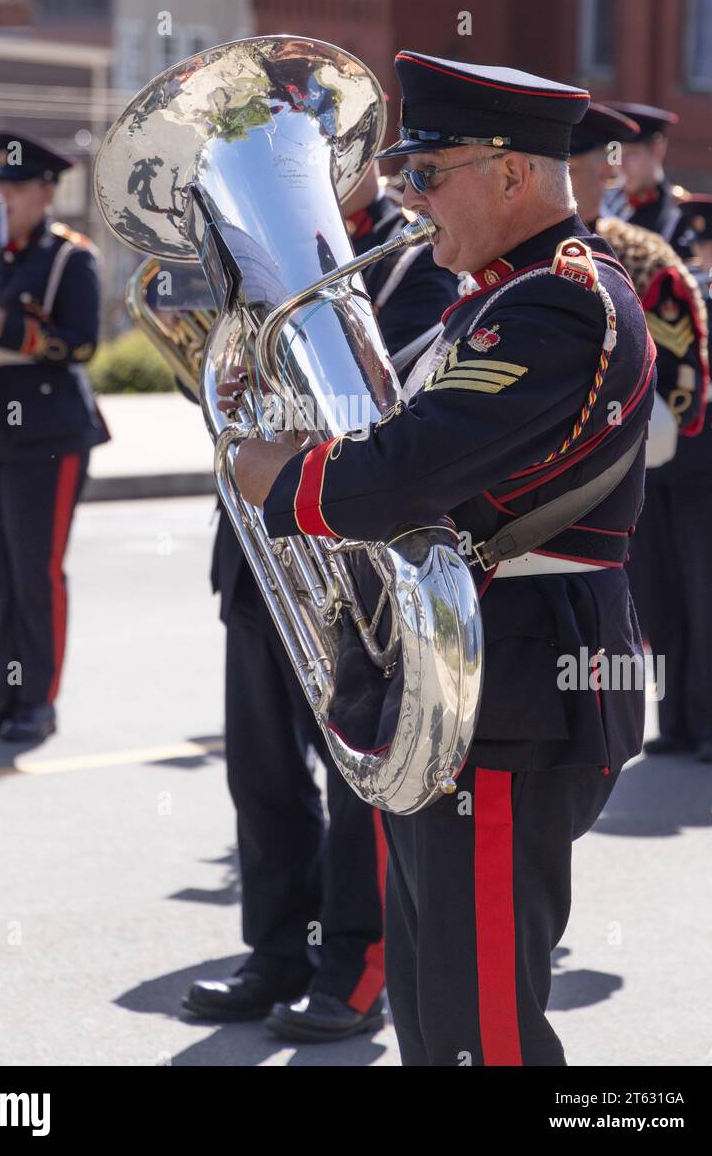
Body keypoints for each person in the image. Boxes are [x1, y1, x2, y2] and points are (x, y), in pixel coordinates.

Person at [231, 52, 656, 1066]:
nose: (410, 202)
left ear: (512, 174)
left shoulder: (558, 301)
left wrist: (280, 479)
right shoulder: (485, 304)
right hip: (460, 689)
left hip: (510, 694)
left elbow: (405, 471)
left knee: (482, 1035)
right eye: (404, 179)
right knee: (434, 1022)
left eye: (429, 174)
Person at [182, 162, 458, 1043]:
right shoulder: (254, 264)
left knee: (357, 770)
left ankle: (356, 963)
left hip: (351, 562)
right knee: (260, 771)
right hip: (261, 554)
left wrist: (287, 399)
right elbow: (239, 384)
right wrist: (227, 392)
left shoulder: (418, 262)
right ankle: (275, 953)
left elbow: (391, 399)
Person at [0, 133, 109, 745]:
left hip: (48, 433)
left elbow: (83, 343)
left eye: (13, 187)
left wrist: (4, 326)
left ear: (45, 191)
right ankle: (2, 695)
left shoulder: (70, 257)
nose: (1, 197)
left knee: (35, 572)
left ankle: (38, 701)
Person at [568, 103, 709, 650]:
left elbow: (680, 374)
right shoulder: (499, 250)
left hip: (616, 463)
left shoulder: (645, 256)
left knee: (631, 603)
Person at [635, 196, 712, 762]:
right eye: (702, 248)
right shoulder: (678, 305)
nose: (710, 259)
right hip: (665, 469)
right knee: (663, 597)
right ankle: (675, 721)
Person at [603, 101, 693, 257]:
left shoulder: (679, 215)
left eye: (629, 155)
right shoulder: (602, 203)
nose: (620, 166)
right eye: (614, 155)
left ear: (658, 149)